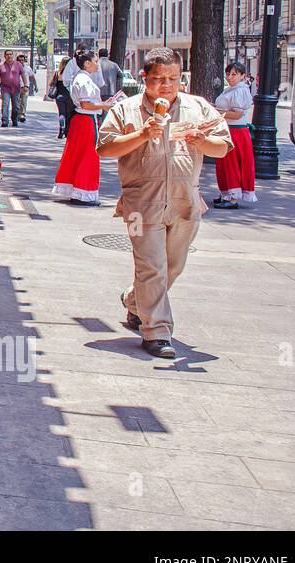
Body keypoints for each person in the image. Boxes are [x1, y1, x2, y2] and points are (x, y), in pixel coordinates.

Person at [97, 47, 232, 358]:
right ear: (145, 78)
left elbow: (223, 147)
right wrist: (143, 134)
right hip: (141, 202)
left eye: (173, 79)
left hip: (185, 201)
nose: (167, 86)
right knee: (151, 266)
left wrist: (202, 140)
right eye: (159, 79)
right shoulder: (126, 110)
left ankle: (134, 302)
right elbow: (104, 149)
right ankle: (157, 332)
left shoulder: (198, 108)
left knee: (173, 265)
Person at [53, 48, 117, 205]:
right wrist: (103, 106)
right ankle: (83, 191)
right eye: (95, 62)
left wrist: (102, 104)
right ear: (87, 63)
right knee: (88, 155)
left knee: (78, 154)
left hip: (82, 120)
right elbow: (86, 104)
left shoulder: (82, 78)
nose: (97, 65)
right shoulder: (84, 79)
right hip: (85, 120)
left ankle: (77, 189)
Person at [212, 60, 257, 208]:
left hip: (236, 132)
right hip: (229, 130)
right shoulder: (232, 89)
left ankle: (232, 198)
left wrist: (216, 111)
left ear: (242, 76)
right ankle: (226, 194)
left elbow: (237, 115)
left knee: (231, 164)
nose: (230, 77)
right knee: (224, 164)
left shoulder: (239, 90)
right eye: (228, 74)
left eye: (234, 74)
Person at [0, 50, 24, 128]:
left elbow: (23, 75)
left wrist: (25, 85)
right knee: (5, 104)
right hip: (5, 88)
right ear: (4, 56)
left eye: (10, 54)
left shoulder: (18, 65)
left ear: (12, 55)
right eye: (7, 54)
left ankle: (14, 119)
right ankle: (4, 121)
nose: (9, 56)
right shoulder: (1, 66)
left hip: (16, 89)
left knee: (16, 106)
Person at [45, 56, 72, 138]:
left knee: (61, 114)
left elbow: (51, 83)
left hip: (59, 96)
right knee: (69, 114)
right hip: (70, 97)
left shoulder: (58, 73)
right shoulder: (72, 74)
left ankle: (61, 129)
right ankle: (67, 131)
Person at [16, 54, 35, 126]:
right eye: (19, 60)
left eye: (22, 60)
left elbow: (32, 77)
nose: (21, 61)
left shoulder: (28, 68)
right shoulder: (14, 68)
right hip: (16, 88)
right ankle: (16, 114)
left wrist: (35, 86)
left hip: (25, 87)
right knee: (16, 102)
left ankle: (22, 114)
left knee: (24, 102)